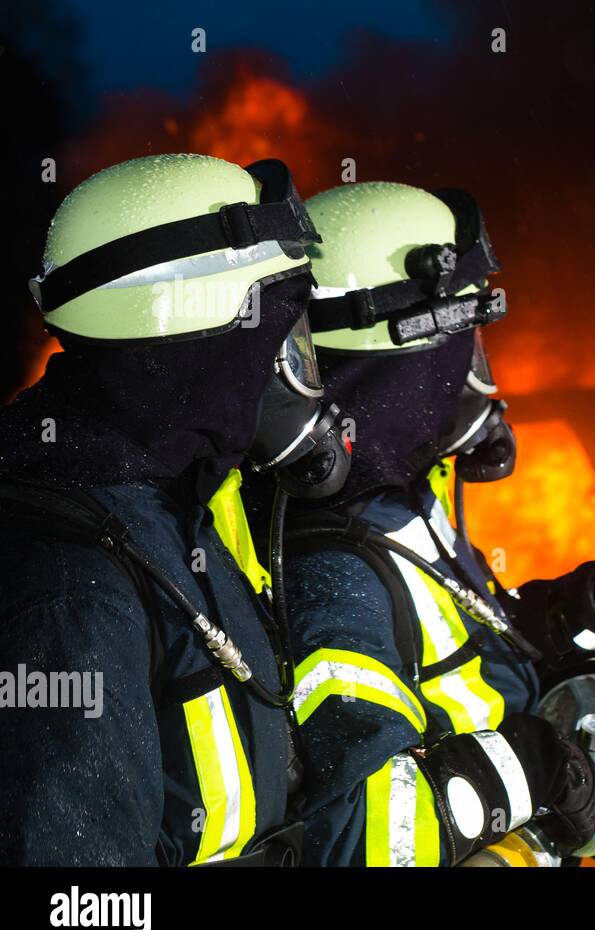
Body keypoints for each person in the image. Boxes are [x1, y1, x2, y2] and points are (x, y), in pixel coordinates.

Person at [279, 181, 595, 866]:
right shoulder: (335, 570)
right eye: (460, 347)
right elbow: (364, 841)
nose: (472, 377)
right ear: (403, 367)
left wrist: (581, 614)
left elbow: (462, 661)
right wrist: (528, 769)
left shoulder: (401, 505)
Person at [0, 153, 350, 865]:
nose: (297, 378)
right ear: (200, 340)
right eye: (282, 345)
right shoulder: (73, 589)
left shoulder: (171, 510)